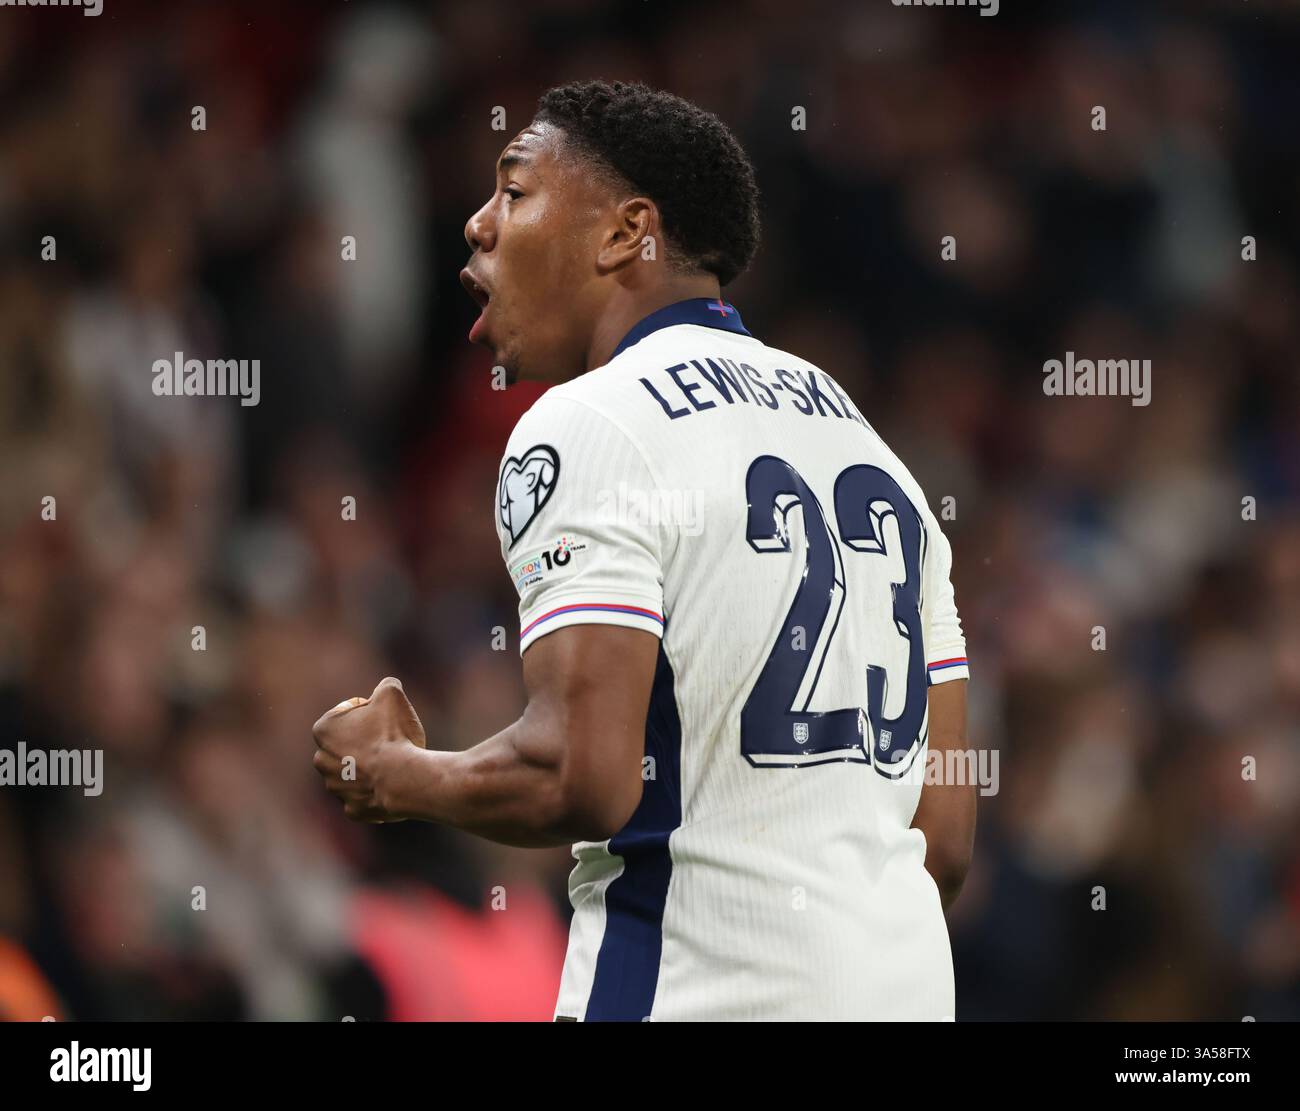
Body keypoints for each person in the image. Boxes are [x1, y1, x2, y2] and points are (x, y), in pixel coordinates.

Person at [313, 80, 974, 1021]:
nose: (476, 223)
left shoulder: (588, 425)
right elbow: (941, 835)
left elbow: (580, 774)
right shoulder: (878, 452)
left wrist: (398, 775)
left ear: (625, 233)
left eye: (514, 190)